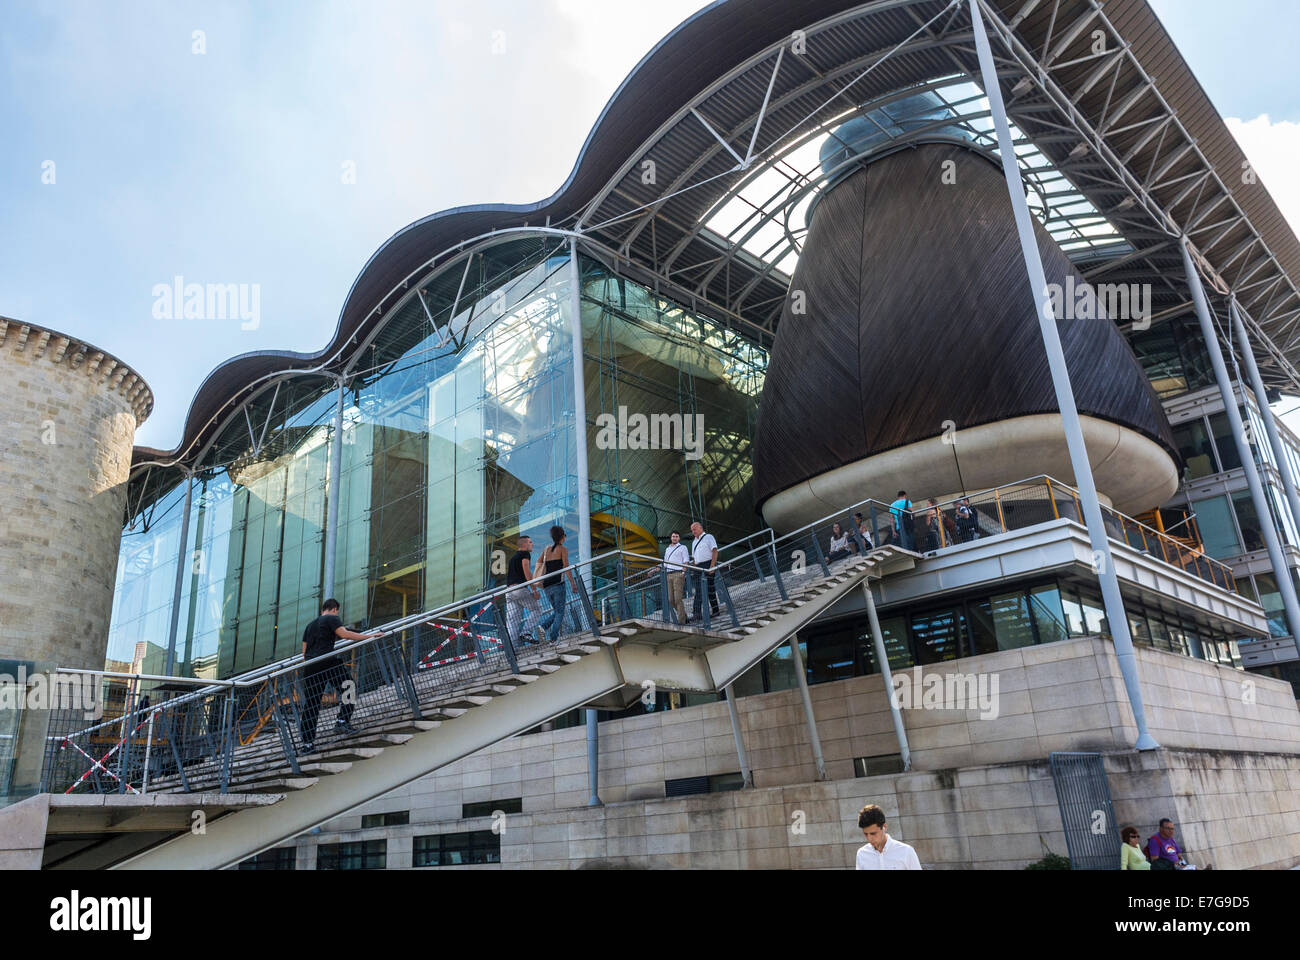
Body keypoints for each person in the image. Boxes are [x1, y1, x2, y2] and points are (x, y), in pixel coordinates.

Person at [299, 599, 382, 753]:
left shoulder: (309, 626)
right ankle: (342, 721)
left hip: (310, 667)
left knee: (311, 705)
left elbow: (304, 652)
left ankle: (307, 744)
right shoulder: (331, 618)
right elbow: (344, 635)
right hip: (328, 662)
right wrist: (369, 636)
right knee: (349, 687)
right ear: (335, 609)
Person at [536, 525, 578, 643]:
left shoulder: (546, 549)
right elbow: (566, 566)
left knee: (557, 611)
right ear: (562, 537)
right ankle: (553, 638)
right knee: (560, 612)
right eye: (564, 535)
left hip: (547, 586)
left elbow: (538, 562)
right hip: (558, 585)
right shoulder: (563, 549)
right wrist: (572, 583)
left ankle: (543, 626)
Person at [505, 534, 545, 649]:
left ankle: (511, 649)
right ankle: (526, 632)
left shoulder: (513, 558)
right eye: (530, 542)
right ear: (524, 544)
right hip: (519, 589)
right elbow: (527, 571)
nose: (532, 544)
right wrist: (534, 589)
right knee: (537, 608)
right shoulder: (525, 554)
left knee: (513, 621)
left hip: (509, 591)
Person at [855, 804, 921, 870]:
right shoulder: (862, 854)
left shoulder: (906, 851)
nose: (869, 839)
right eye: (866, 834)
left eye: (873, 833)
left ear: (884, 827)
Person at [690, 520, 719, 623]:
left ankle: (715, 610)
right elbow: (694, 557)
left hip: (708, 564)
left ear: (700, 528)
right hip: (698, 567)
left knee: (710, 589)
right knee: (699, 590)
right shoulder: (694, 542)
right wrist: (694, 567)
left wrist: (712, 566)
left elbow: (715, 551)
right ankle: (696, 613)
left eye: (695, 529)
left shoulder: (708, 537)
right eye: (692, 530)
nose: (693, 531)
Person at [662, 530, 690, 625]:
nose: (675, 538)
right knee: (671, 600)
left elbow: (686, 560)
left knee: (678, 599)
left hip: (678, 574)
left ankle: (681, 621)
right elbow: (665, 563)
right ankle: (685, 616)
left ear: (679, 538)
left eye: (677, 536)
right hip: (668, 575)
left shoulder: (683, 547)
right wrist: (654, 570)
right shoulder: (667, 549)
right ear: (671, 537)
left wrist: (683, 572)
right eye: (673, 536)